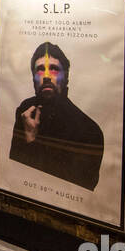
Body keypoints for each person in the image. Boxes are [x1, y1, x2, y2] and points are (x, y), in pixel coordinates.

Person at [9, 41, 104, 190]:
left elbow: (77, 186)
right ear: (33, 78)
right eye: (40, 69)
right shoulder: (25, 111)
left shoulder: (89, 130)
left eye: (54, 69)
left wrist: (31, 142)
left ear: (66, 78)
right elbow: (15, 166)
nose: (46, 76)